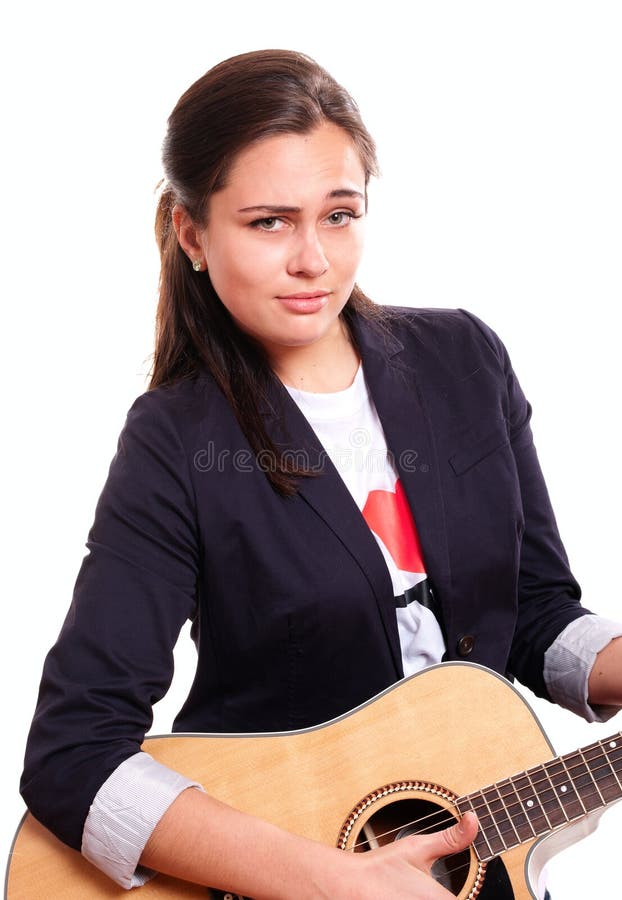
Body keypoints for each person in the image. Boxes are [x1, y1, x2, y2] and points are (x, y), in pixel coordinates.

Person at [20, 49, 622, 899]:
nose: (315, 261)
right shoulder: (175, 439)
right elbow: (74, 753)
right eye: (270, 222)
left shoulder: (462, 358)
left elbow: (532, 611)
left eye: (339, 215)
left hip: (480, 853)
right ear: (192, 233)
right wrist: (330, 880)